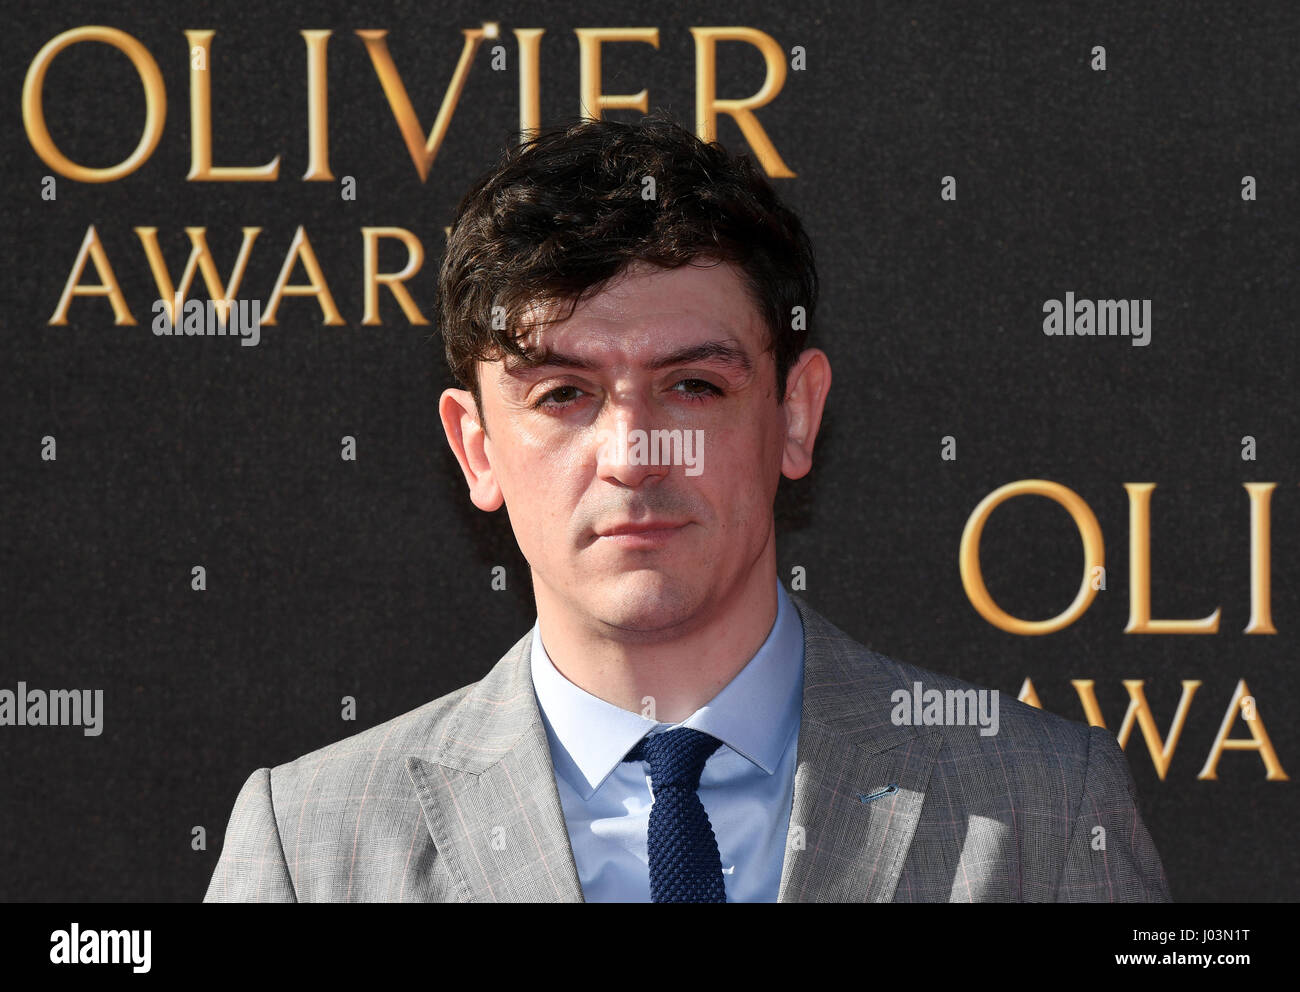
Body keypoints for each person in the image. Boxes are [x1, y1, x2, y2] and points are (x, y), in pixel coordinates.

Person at [204, 113, 1171, 903]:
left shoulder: (1042, 809)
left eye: (695, 387)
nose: (633, 454)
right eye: (562, 394)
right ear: (476, 446)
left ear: (795, 415)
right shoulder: (314, 847)